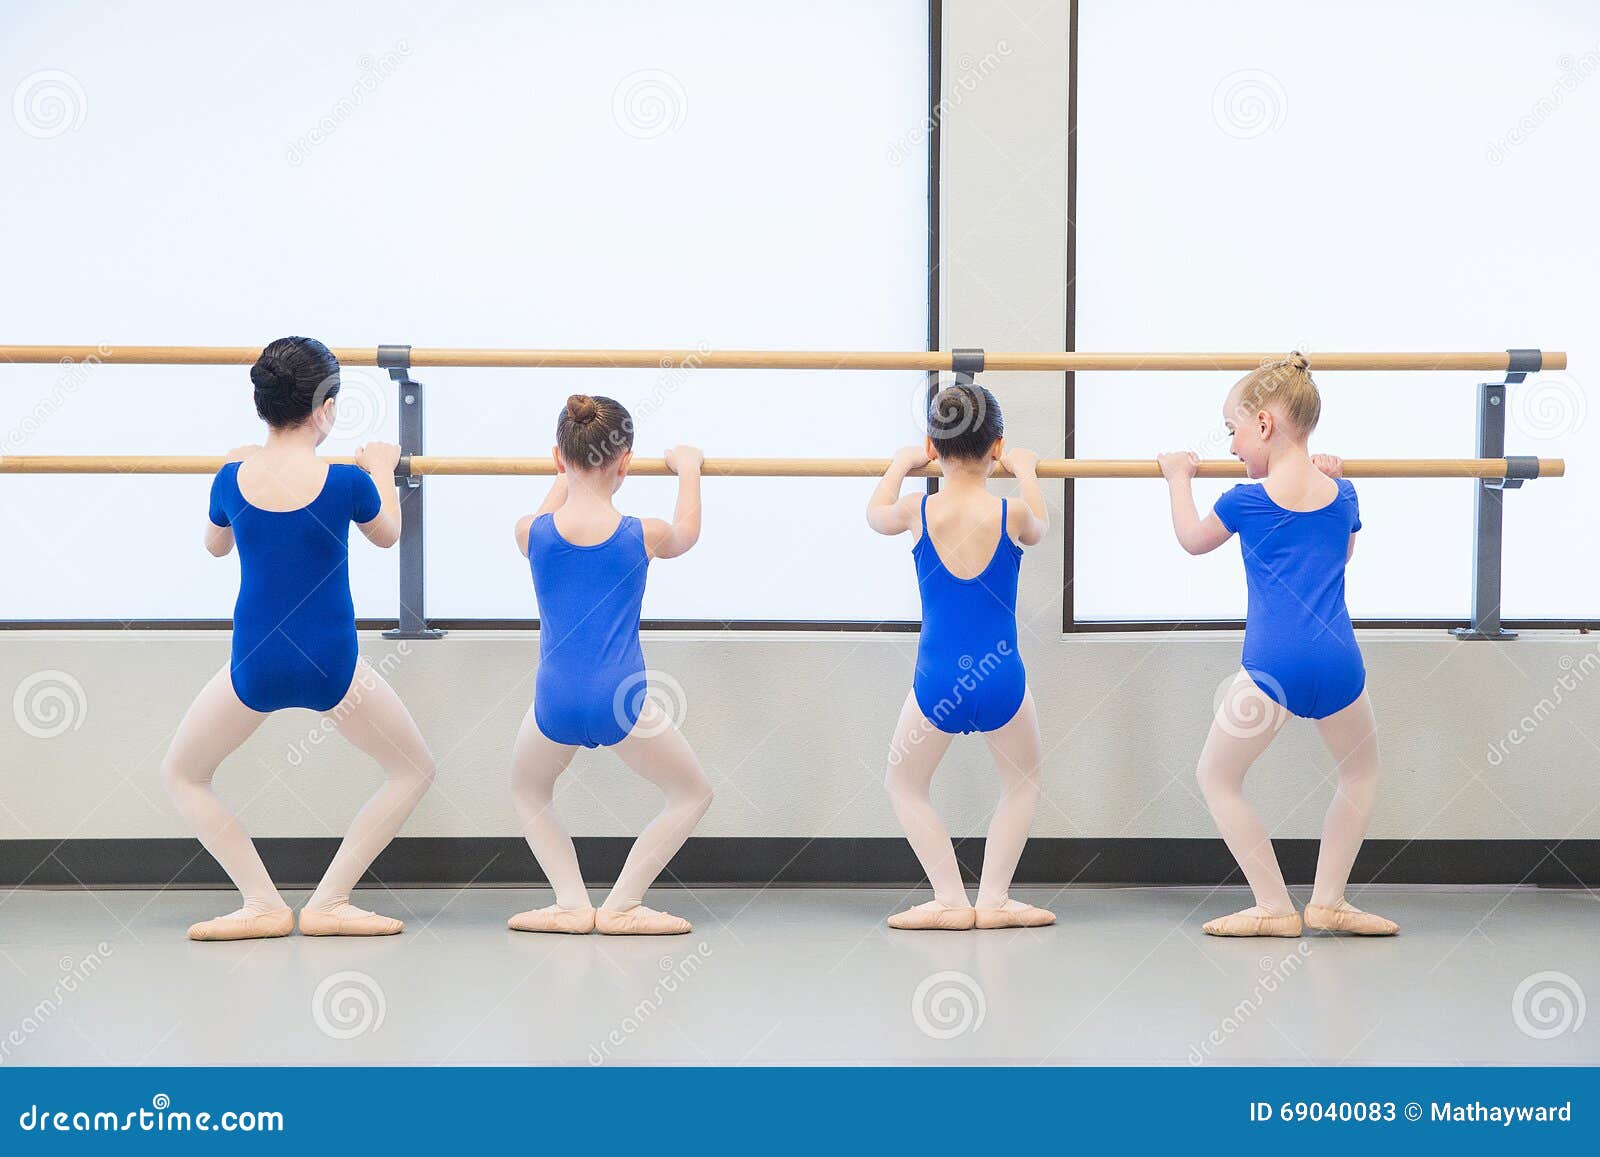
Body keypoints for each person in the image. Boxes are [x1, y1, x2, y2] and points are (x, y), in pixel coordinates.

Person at [162, 336, 435, 941]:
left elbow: (214, 545)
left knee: (182, 774)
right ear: (326, 408)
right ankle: (329, 901)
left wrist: (232, 469)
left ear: (260, 406)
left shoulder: (231, 478)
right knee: (413, 770)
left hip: (254, 663)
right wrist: (382, 469)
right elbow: (388, 534)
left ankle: (261, 902)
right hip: (332, 666)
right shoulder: (346, 481)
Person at [1157, 352, 1396, 937]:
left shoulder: (1245, 500)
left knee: (1217, 777)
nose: (1233, 447)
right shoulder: (1343, 493)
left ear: (1263, 424)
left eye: (1233, 430)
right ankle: (1329, 901)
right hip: (1340, 662)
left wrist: (1178, 478)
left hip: (1273, 668)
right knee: (1359, 776)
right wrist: (1329, 476)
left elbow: (1192, 540)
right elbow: (1339, 555)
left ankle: (1273, 906)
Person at [506, 394, 713, 935]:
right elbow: (688, 531)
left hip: (553, 701)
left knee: (528, 792)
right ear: (626, 463)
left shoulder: (530, 533)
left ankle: (571, 903)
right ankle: (622, 904)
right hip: (622, 701)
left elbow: (549, 511)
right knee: (692, 794)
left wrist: (564, 474)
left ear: (557, 458)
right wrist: (688, 467)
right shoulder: (643, 534)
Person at [866, 382, 1053, 930]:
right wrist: (1026, 471)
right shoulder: (1012, 513)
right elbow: (1040, 527)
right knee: (1021, 785)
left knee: (903, 785)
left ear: (932, 446)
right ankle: (993, 900)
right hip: (1002, 681)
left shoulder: (916, 510)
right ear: (997, 447)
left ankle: (949, 899)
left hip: (937, 682)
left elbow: (875, 514)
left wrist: (901, 464)